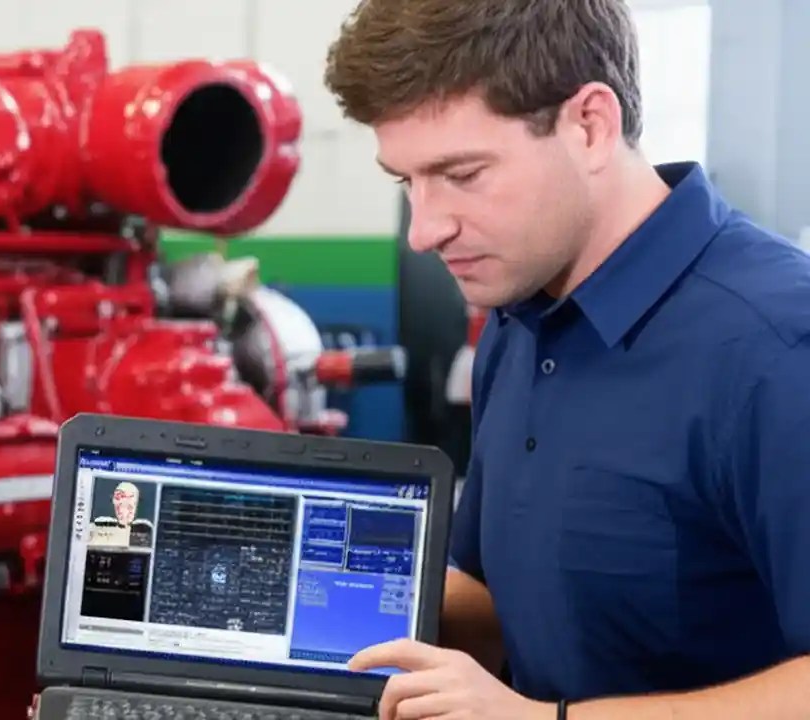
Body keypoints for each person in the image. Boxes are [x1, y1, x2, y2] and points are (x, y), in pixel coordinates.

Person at [322, 1, 810, 718]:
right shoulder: (520, 322)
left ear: (589, 125)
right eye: (407, 182)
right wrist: (295, 613)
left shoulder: (776, 347)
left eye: (462, 174)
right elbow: (497, 601)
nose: (424, 230)